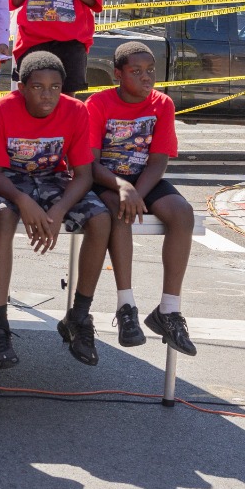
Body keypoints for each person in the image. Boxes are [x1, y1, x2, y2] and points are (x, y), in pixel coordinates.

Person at [0, 51, 110, 368]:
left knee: (101, 218)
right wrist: (23, 201)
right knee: (3, 216)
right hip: (9, 181)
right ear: (22, 88)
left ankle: (79, 316)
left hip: (53, 180)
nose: (47, 94)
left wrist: (59, 211)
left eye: (55, 87)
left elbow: (83, 174)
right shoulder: (3, 108)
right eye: (38, 87)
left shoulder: (76, 111)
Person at [87, 41, 197, 358]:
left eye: (150, 71)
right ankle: (126, 307)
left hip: (143, 180)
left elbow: (159, 160)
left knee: (182, 213)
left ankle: (169, 310)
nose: (145, 78)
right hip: (106, 180)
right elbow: (90, 163)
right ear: (118, 74)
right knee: (121, 211)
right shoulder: (98, 104)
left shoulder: (162, 104)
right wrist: (123, 188)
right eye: (136, 72)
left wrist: (138, 192)